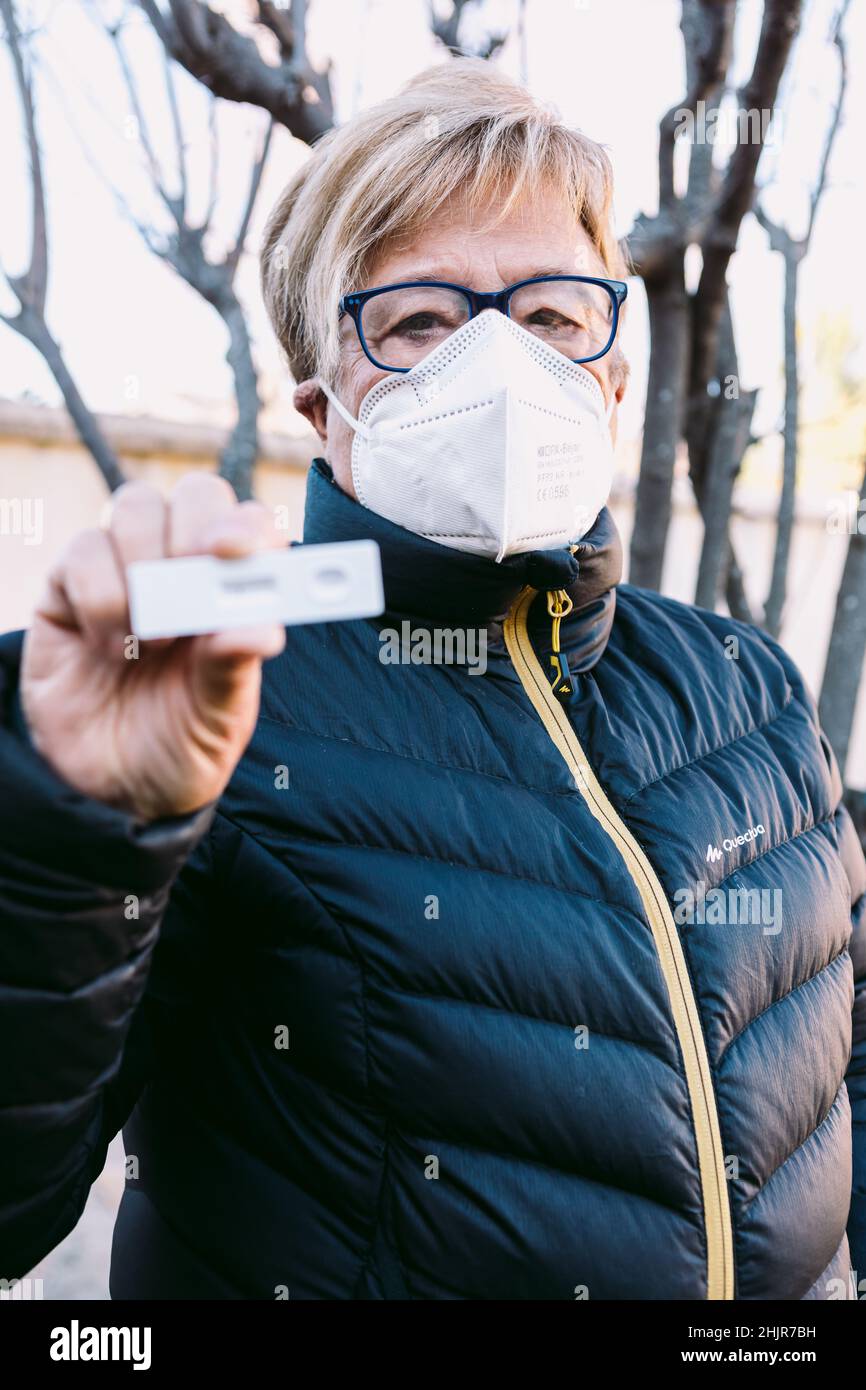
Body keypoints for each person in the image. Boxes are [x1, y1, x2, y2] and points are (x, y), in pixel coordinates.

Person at [1, 59, 863, 1302]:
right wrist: (76, 838)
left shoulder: (747, 691)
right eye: (418, 321)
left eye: (553, 315)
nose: (502, 366)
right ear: (321, 406)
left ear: (610, 375)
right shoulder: (210, 698)